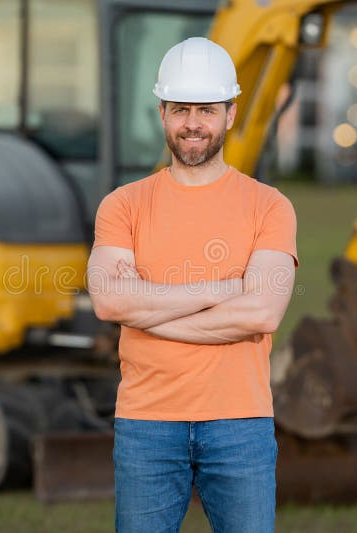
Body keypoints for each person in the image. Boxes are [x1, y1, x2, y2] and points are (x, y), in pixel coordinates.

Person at [87, 37, 298, 533]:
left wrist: (148, 311)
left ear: (230, 113)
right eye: (180, 109)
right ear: (162, 113)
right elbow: (109, 301)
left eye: (206, 109)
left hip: (241, 422)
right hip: (146, 423)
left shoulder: (269, 206)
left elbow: (262, 315)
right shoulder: (123, 205)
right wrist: (225, 288)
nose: (193, 123)